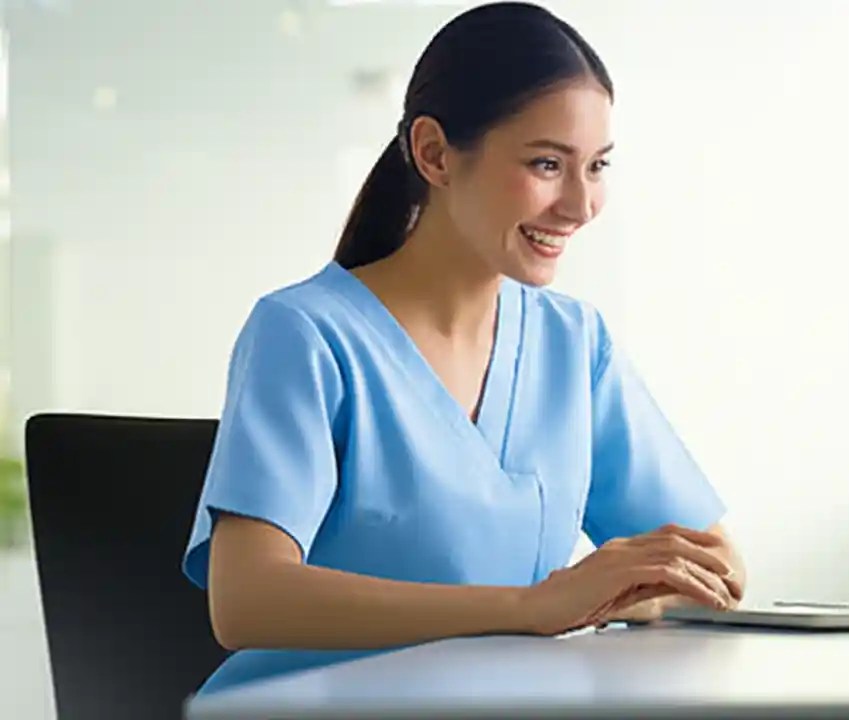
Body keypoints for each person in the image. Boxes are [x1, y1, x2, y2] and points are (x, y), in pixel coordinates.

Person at [181, 1, 745, 694]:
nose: (580, 204)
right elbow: (245, 603)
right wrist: (532, 608)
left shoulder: (574, 344)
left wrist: (620, 592)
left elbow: (718, 567)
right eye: (546, 163)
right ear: (435, 154)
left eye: (596, 167)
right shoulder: (305, 334)